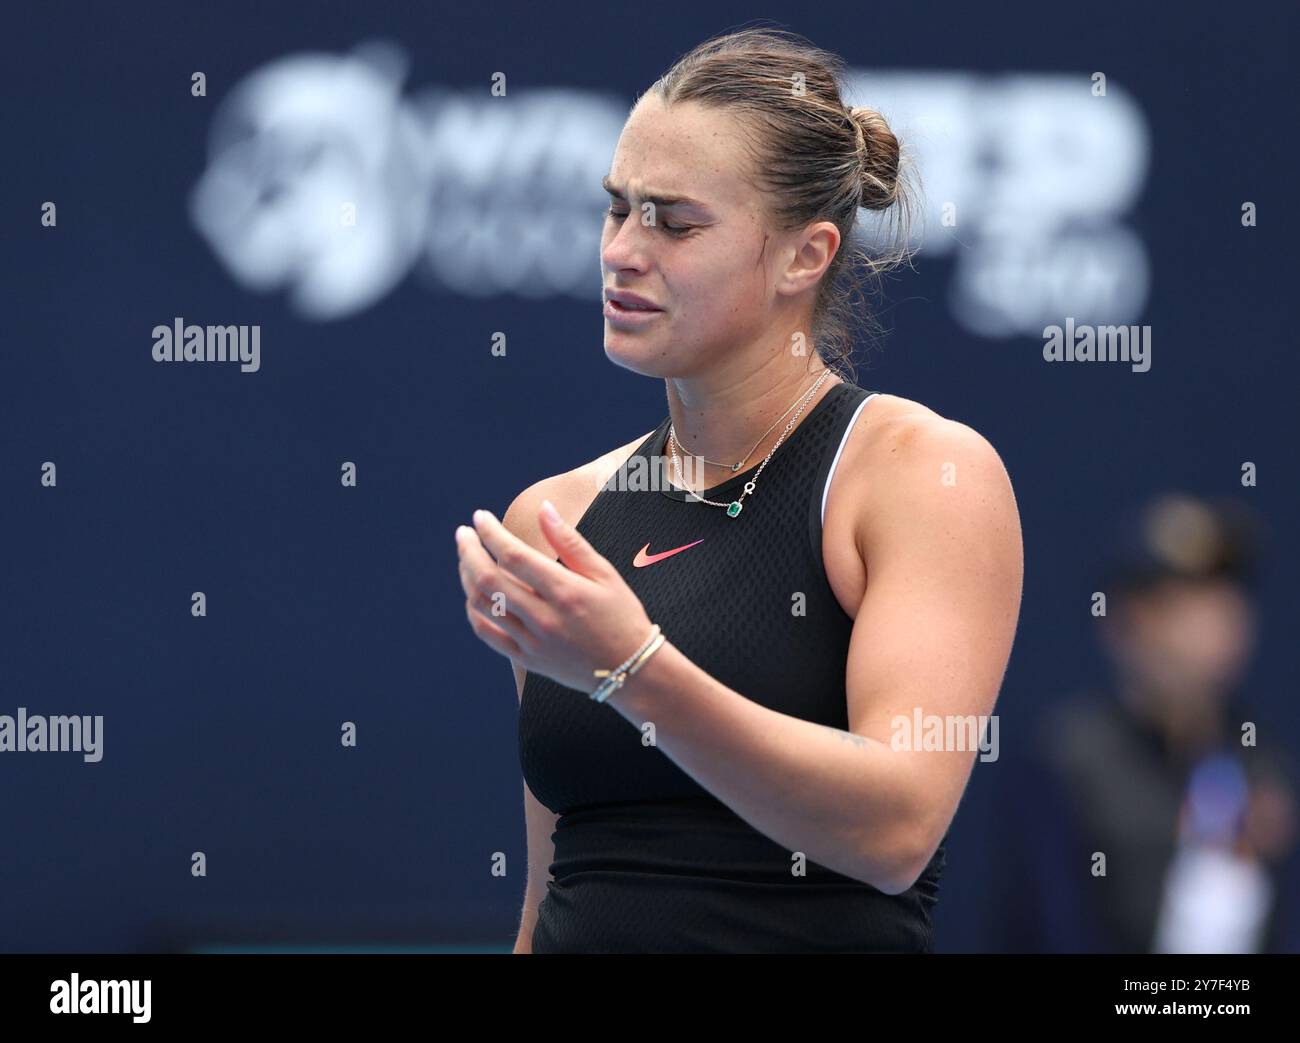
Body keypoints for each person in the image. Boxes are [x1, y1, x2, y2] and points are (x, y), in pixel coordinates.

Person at [454, 27, 1023, 953]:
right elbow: (551, 888)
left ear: (805, 256)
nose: (623, 251)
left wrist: (633, 666)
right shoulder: (554, 516)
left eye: (675, 222)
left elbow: (897, 830)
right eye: (617, 208)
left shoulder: (921, 473)